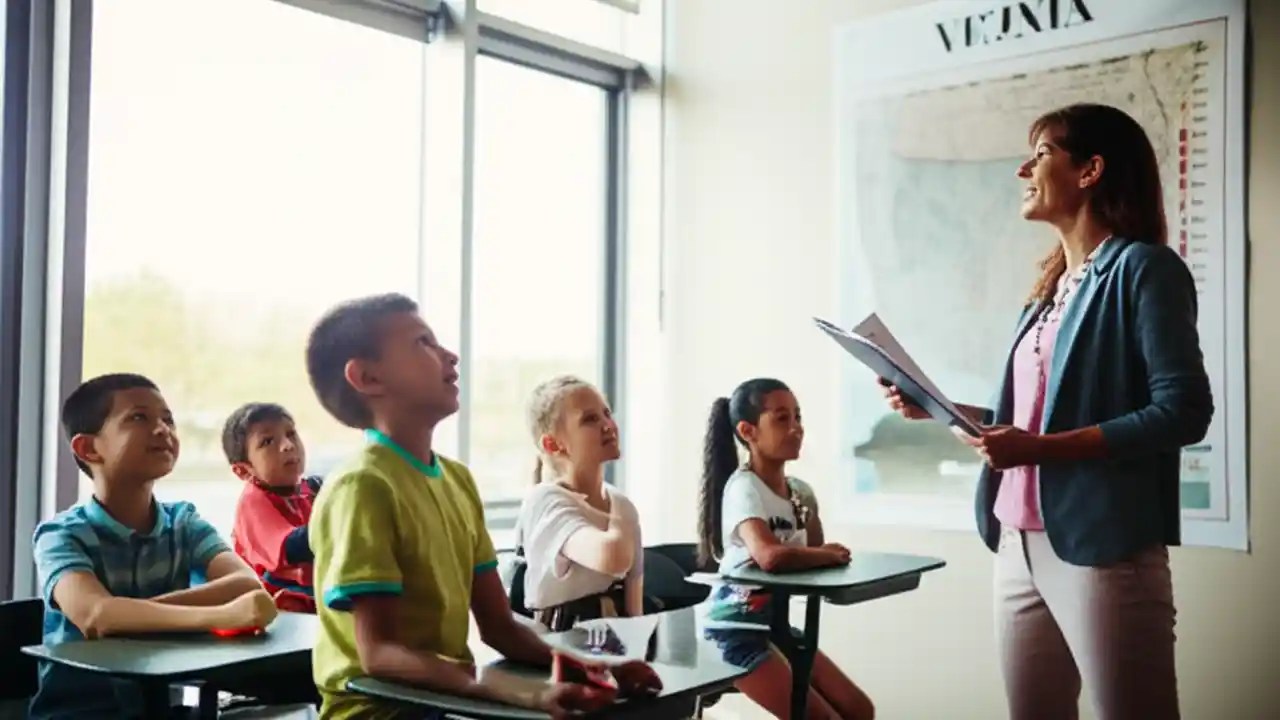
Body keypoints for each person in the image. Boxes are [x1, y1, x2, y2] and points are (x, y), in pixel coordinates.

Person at [881, 103, 1212, 720]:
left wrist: (1038, 450)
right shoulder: (1051, 290)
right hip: (1017, 540)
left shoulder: (1143, 269)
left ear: (1090, 171)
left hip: (1103, 548)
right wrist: (943, 408)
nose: (1022, 170)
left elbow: (1183, 411)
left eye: (1040, 154)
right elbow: (1030, 419)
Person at [304, 293, 660, 719]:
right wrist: (516, 692)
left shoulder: (457, 480)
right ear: (367, 377)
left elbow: (501, 627)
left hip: (444, 705)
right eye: (423, 343)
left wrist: (598, 669)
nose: (450, 356)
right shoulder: (363, 486)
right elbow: (379, 655)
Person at [31, 373, 277, 719]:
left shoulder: (183, 522)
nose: (163, 429)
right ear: (88, 448)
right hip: (80, 712)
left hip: (164, 708)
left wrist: (132, 614)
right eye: (138, 418)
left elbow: (245, 584)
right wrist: (219, 615)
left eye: (167, 419)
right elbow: (96, 616)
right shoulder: (60, 535)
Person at [699, 378, 875, 720]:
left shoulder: (800, 492)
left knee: (859, 710)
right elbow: (769, 557)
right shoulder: (744, 488)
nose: (796, 428)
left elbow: (817, 559)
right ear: (748, 431)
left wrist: (818, 542)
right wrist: (826, 554)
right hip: (734, 631)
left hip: (774, 628)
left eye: (798, 417)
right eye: (782, 419)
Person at [514, 375, 642, 632]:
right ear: (553, 444)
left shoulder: (622, 505)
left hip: (615, 646)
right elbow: (614, 557)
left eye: (607, 414)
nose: (608, 425)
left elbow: (634, 605)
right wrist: (621, 511)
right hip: (557, 650)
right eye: (590, 419)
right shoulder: (546, 501)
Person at [224, 402, 322, 613]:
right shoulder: (253, 501)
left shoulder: (311, 488)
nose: (288, 445)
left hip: (313, 591)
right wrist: (341, 519)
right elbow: (292, 547)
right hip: (280, 602)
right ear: (243, 470)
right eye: (268, 441)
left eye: (291, 433)